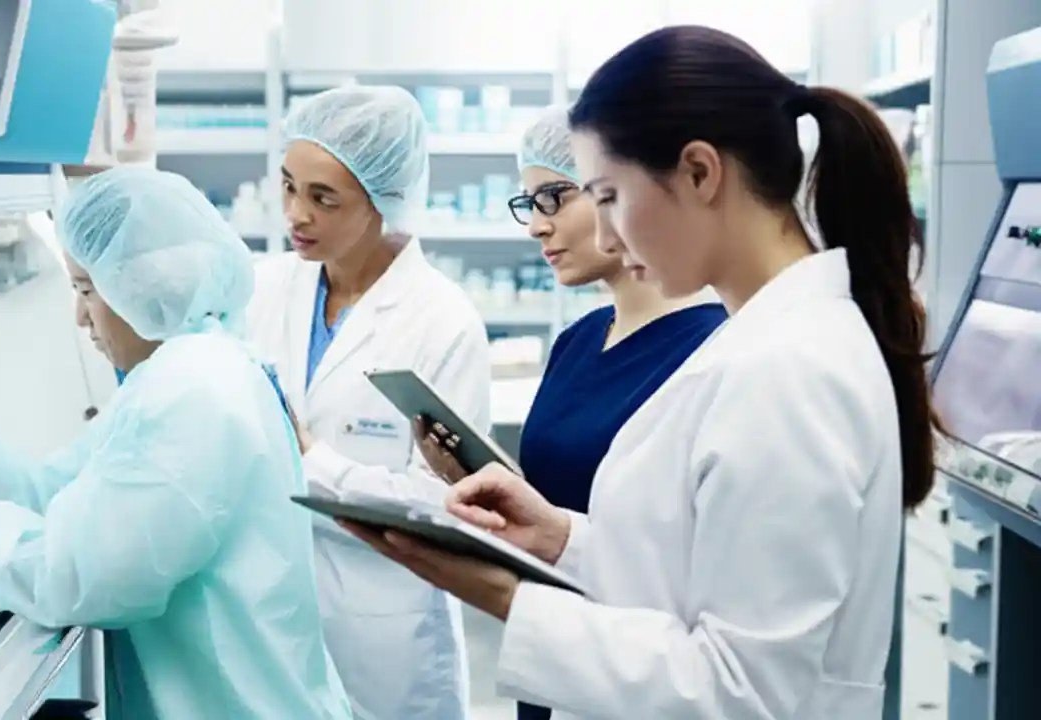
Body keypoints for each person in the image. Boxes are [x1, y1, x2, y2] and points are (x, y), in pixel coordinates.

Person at [345, 25, 937, 720]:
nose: (604, 236)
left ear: (699, 172)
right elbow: (689, 579)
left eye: (607, 196)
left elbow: (745, 691)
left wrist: (504, 595)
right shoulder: (765, 343)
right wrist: (558, 538)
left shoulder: (789, 373)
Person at [0, 167, 352, 720]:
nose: (80, 316)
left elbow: (90, 575)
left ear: (144, 284)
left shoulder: (193, 392)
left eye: (87, 290)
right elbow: (60, 493)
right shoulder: (191, 367)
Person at [417, 105, 727, 720]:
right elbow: (558, 499)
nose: (536, 226)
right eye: (527, 204)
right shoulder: (581, 337)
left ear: (618, 192)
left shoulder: (710, 349)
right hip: (553, 655)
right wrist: (470, 478)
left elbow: (673, 550)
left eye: (553, 198)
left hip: (638, 671)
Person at [246, 85, 491, 719]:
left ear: (384, 200)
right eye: (289, 186)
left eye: (323, 198)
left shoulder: (442, 321)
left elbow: (445, 506)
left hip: (386, 632)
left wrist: (312, 460)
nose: (295, 215)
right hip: (276, 611)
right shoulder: (267, 288)